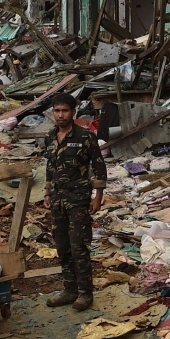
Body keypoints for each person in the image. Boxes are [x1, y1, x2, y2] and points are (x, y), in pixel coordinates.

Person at [40, 93, 106, 311]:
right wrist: (47, 193)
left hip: (78, 200)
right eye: (57, 111)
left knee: (79, 247)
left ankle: (85, 293)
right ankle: (69, 289)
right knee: (63, 247)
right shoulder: (50, 137)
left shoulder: (86, 137)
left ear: (73, 112)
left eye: (64, 111)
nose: (60, 115)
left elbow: (98, 167)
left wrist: (98, 197)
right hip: (57, 201)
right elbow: (50, 168)